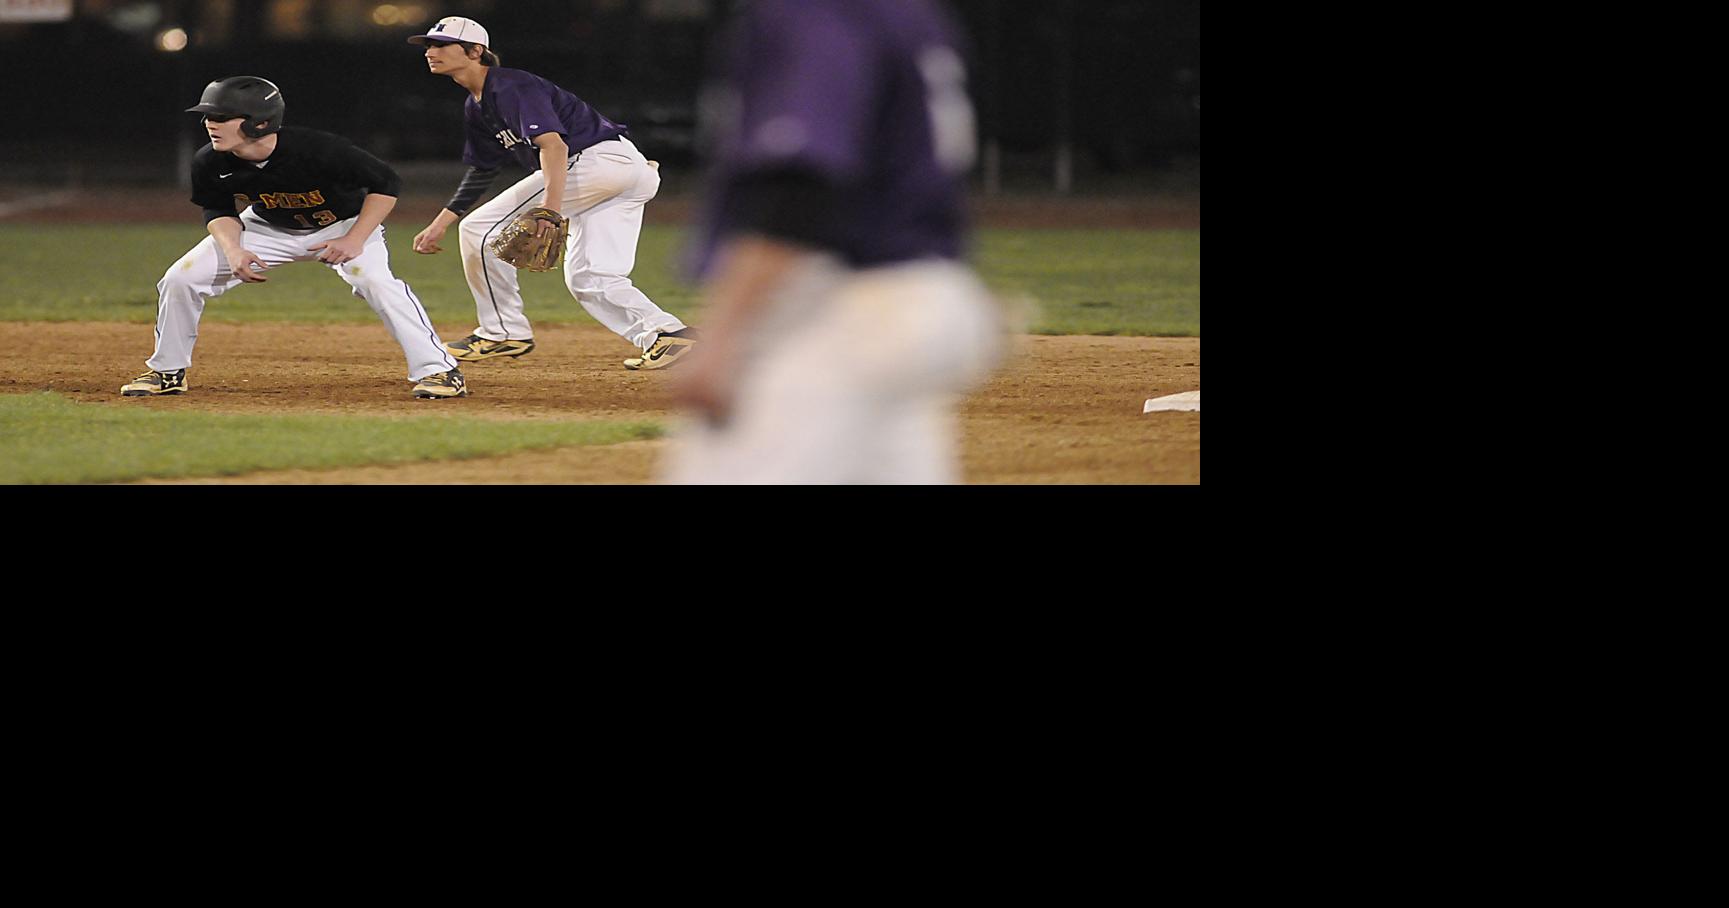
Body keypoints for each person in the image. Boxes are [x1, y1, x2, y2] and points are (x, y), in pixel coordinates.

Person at [660, 0, 1004, 484]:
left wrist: (722, 336)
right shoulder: (907, 12)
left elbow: (805, 180)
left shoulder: (813, 11)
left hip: (836, 306)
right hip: (922, 293)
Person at [121, 76, 467, 400]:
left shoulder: (319, 149)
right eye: (208, 116)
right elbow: (217, 209)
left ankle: (441, 370)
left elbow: (386, 184)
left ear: (260, 121)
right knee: (180, 279)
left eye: (222, 116)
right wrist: (234, 249)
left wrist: (355, 239)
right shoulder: (210, 161)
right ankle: (167, 371)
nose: (210, 124)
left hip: (342, 225)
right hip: (265, 227)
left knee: (376, 281)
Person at [407, 16, 697, 371]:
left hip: (595, 162)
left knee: (478, 229)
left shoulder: (510, 86)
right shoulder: (477, 106)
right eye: (428, 46)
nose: (431, 51)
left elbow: (554, 146)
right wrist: (440, 224)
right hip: (625, 170)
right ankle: (667, 334)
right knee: (591, 278)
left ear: (474, 51)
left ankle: (501, 333)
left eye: (440, 44)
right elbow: (483, 169)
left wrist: (550, 209)